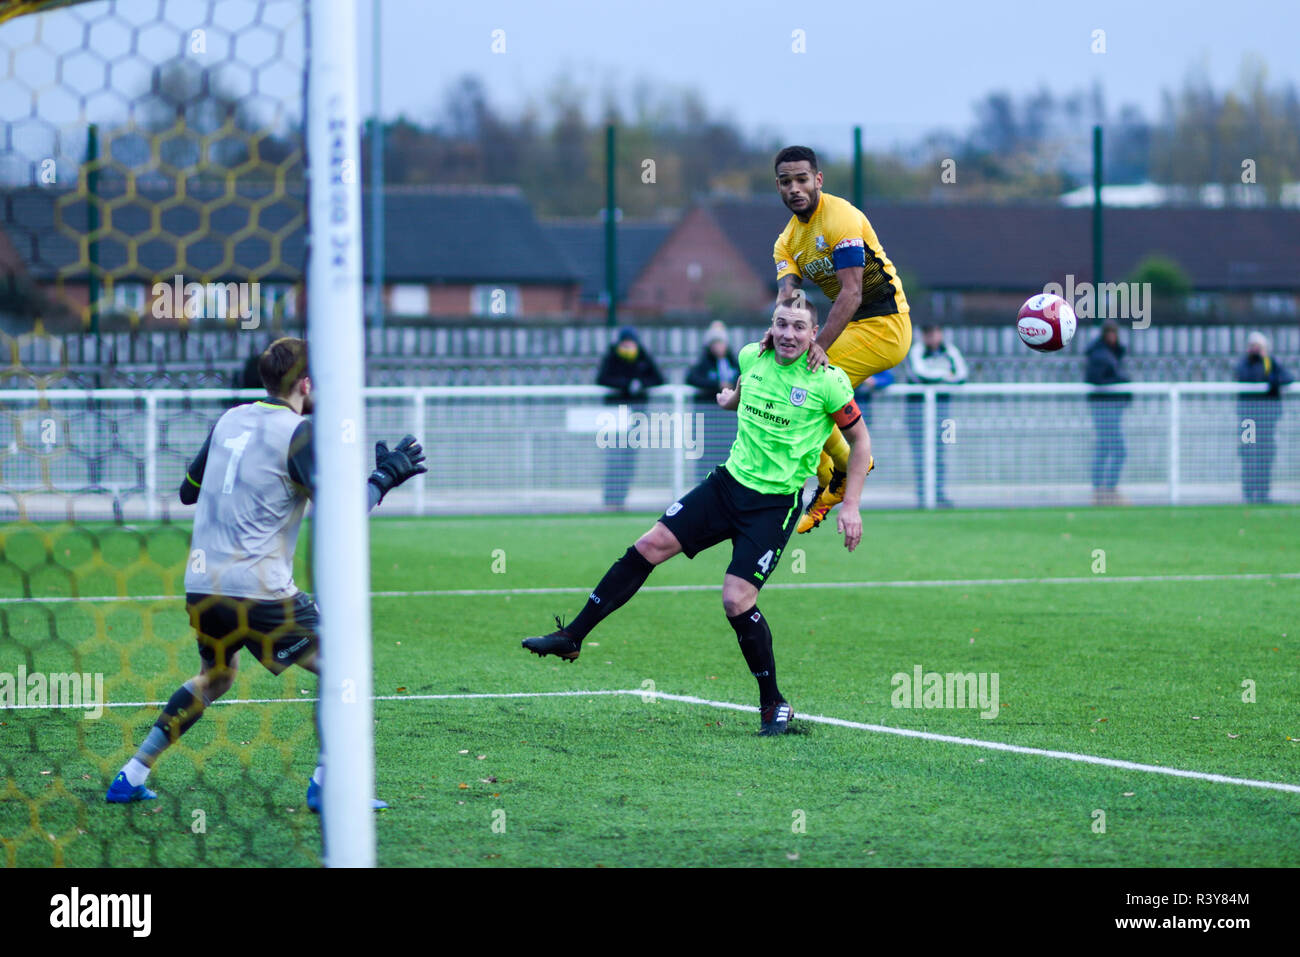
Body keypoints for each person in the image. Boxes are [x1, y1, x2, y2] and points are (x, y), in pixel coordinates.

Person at [521, 298, 873, 736]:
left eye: (799, 327)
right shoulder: (752, 355)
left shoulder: (828, 382)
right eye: (781, 324)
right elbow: (748, 389)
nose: (788, 334)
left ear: (814, 332)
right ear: (770, 327)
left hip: (773, 505)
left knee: (736, 600)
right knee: (648, 546)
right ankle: (572, 636)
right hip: (726, 485)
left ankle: (773, 704)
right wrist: (730, 400)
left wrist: (852, 504)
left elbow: (860, 443)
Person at [105, 337, 427, 809]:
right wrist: (383, 479)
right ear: (307, 383)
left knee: (214, 679)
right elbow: (340, 519)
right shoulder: (301, 432)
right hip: (259, 591)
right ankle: (328, 785)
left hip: (203, 586)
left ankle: (130, 776)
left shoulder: (230, 419)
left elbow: (187, 492)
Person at [764, 145, 911, 532]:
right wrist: (776, 330)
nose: (794, 188)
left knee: (807, 383)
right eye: (785, 181)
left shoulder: (840, 216)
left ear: (818, 180)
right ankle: (834, 473)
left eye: (801, 179)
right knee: (793, 388)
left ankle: (842, 472)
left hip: (885, 325)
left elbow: (852, 293)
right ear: (777, 187)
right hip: (854, 328)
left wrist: (817, 346)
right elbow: (788, 298)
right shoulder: (786, 242)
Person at [596, 326, 665, 508]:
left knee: (629, 458)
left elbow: (658, 378)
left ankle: (621, 497)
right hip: (615, 416)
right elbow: (602, 378)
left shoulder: (643, 357)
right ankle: (610, 498)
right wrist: (625, 385)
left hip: (636, 415)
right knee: (614, 457)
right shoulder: (612, 357)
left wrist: (641, 385)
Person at [906, 325, 967, 508]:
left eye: (934, 333)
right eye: (927, 334)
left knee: (940, 452)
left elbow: (962, 375)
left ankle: (939, 493)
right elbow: (919, 375)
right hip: (917, 411)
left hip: (942, 410)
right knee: (921, 454)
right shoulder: (916, 351)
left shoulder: (949, 351)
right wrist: (944, 375)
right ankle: (924, 495)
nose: (931, 337)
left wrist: (942, 377)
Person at [1236, 331, 1293, 504]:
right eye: (1252, 346)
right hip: (1249, 420)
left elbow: (1288, 377)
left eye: (1258, 346)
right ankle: (1249, 493)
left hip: (1267, 420)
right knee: (1249, 454)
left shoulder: (1270, 362)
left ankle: (1263, 493)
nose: (1255, 349)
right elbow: (1249, 378)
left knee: (1265, 456)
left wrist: (1273, 379)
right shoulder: (1244, 364)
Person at [1084, 319, 1132, 506]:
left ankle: (1104, 490)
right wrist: (1120, 383)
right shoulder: (1100, 355)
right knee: (1115, 449)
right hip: (1104, 407)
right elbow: (1096, 379)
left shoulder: (1111, 354)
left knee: (1105, 448)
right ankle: (1104, 490)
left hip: (1112, 406)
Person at [685, 321, 739, 481]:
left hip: (728, 422)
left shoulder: (733, 362)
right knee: (706, 456)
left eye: (721, 342)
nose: (719, 346)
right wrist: (717, 386)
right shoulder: (703, 363)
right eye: (715, 343)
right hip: (708, 421)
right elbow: (692, 378)